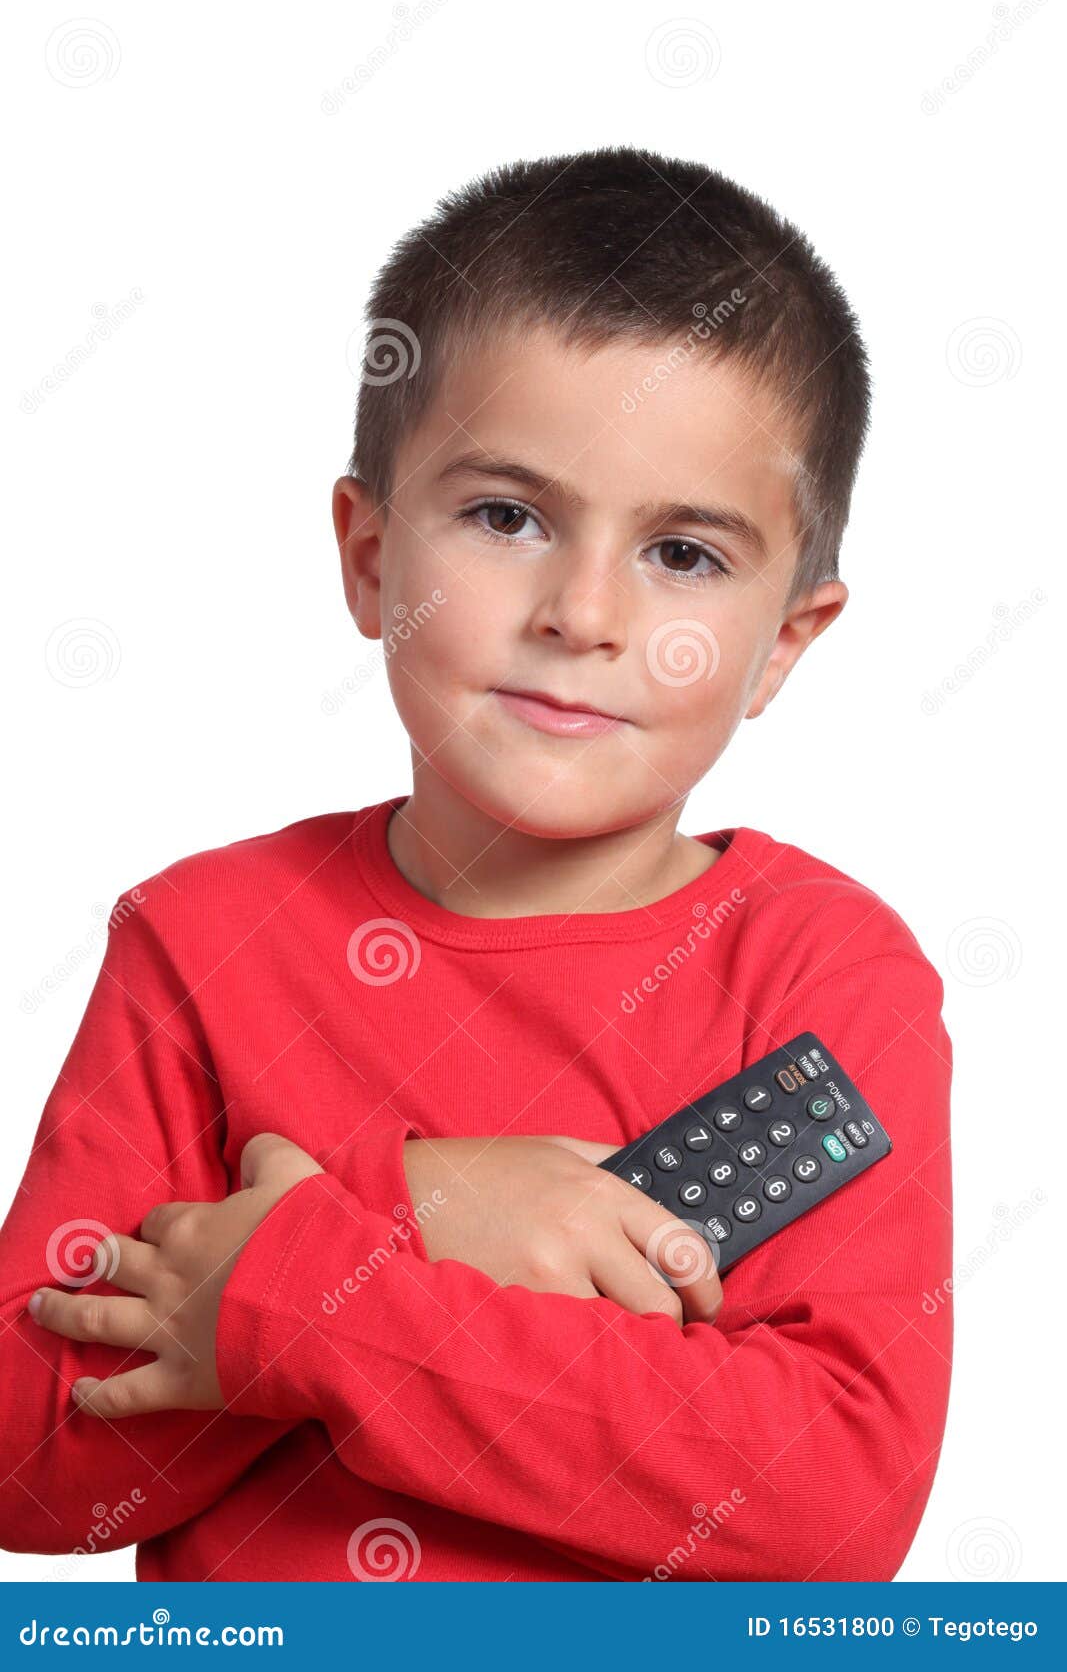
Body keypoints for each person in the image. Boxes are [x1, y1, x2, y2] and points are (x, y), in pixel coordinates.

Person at [0, 146, 952, 1582]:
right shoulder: (200, 939)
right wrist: (423, 1206)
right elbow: (30, 1463)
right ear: (372, 558)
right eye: (507, 517)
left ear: (786, 643)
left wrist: (316, 1286)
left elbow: (826, 1505)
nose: (581, 611)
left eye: (685, 553)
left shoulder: (824, 971)